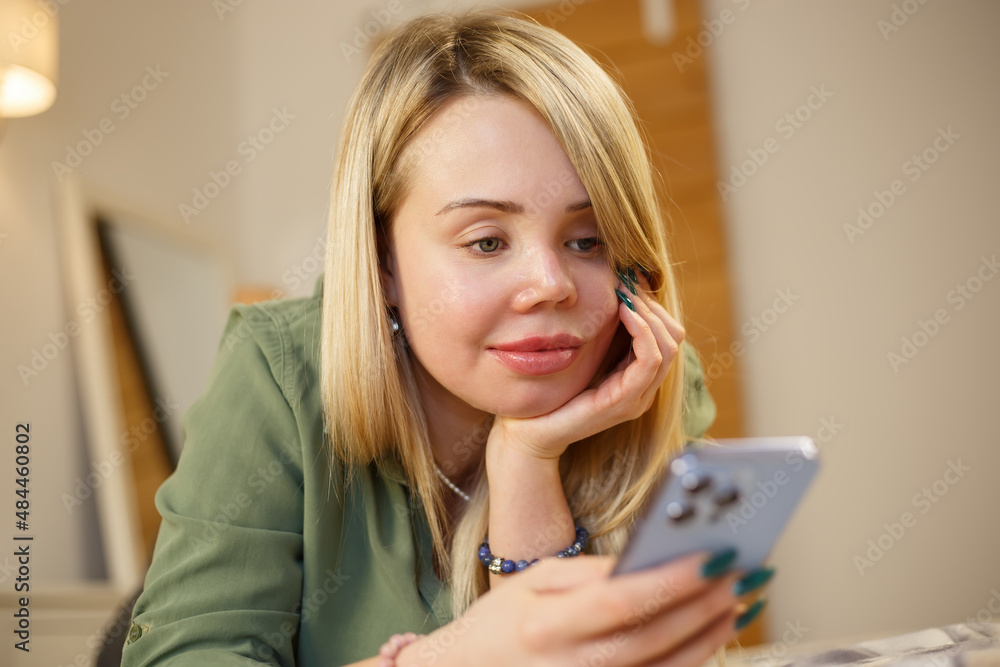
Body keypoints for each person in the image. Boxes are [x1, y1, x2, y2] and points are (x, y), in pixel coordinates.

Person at [120, 10, 771, 667]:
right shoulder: (281, 373)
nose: (551, 284)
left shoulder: (651, 376)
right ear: (383, 263)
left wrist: (527, 459)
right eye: (486, 241)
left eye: (588, 240)